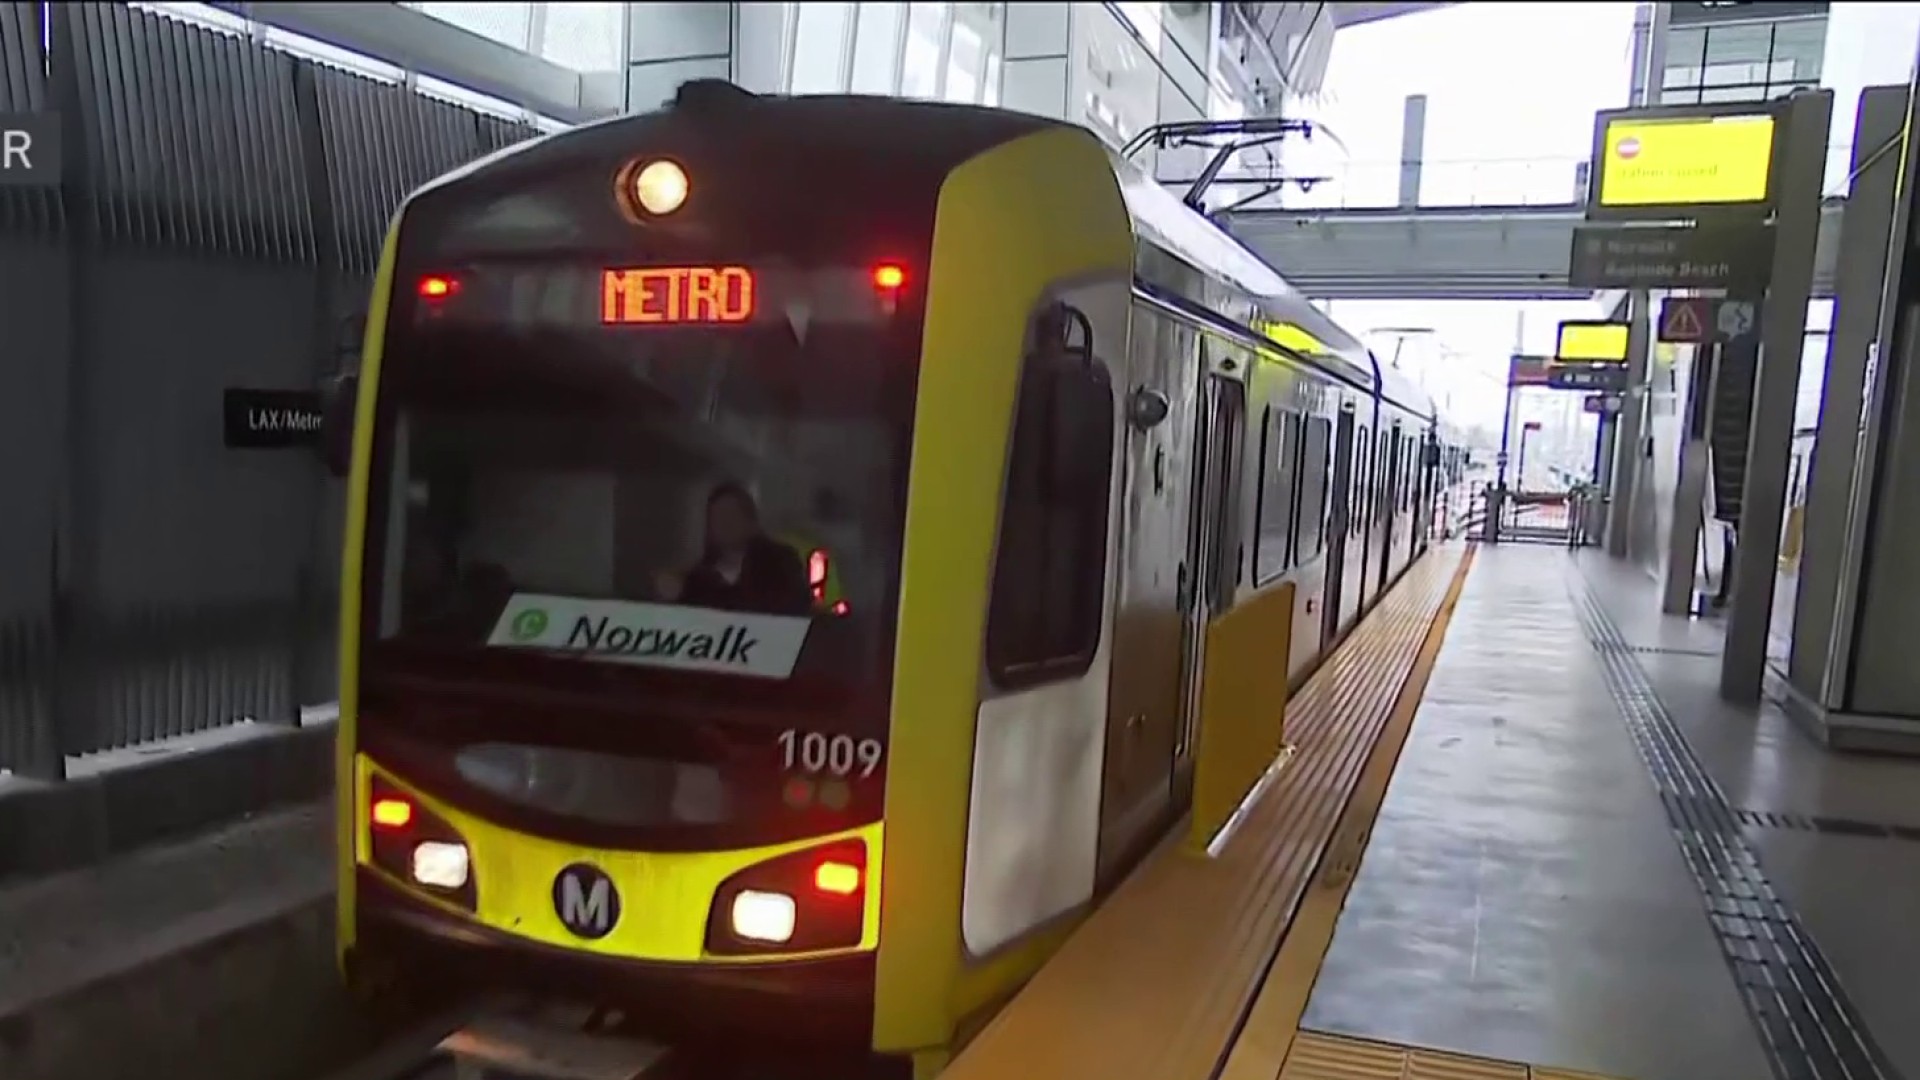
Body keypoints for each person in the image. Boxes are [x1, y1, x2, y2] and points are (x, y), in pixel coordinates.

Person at [655, 482, 813, 615]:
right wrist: (674, 598)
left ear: (750, 521)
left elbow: (796, 607)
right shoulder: (698, 579)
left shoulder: (780, 563)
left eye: (732, 514)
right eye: (717, 517)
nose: (725, 523)